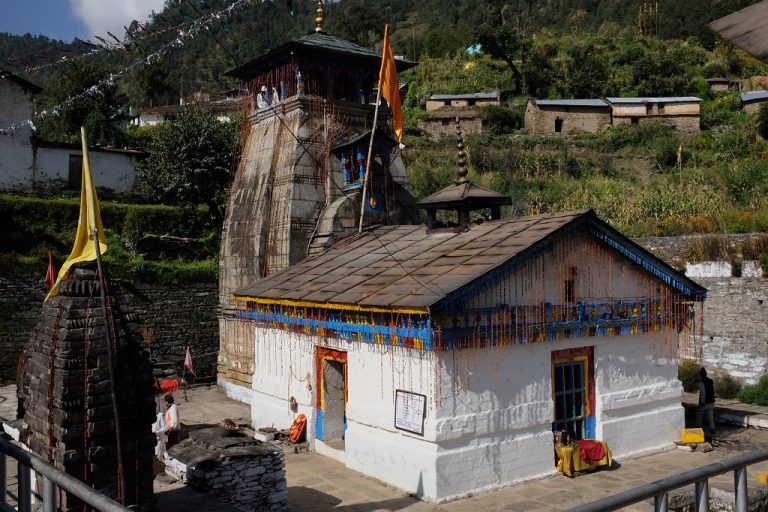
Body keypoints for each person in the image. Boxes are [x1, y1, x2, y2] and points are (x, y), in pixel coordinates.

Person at [698, 367, 716, 438]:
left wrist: (702, 402)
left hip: (704, 402)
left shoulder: (701, 382)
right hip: (711, 401)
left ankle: (698, 429)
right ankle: (712, 429)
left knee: (700, 416)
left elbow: (703, 393)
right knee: (710, 416)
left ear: (700, 375)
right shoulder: (710, 381)